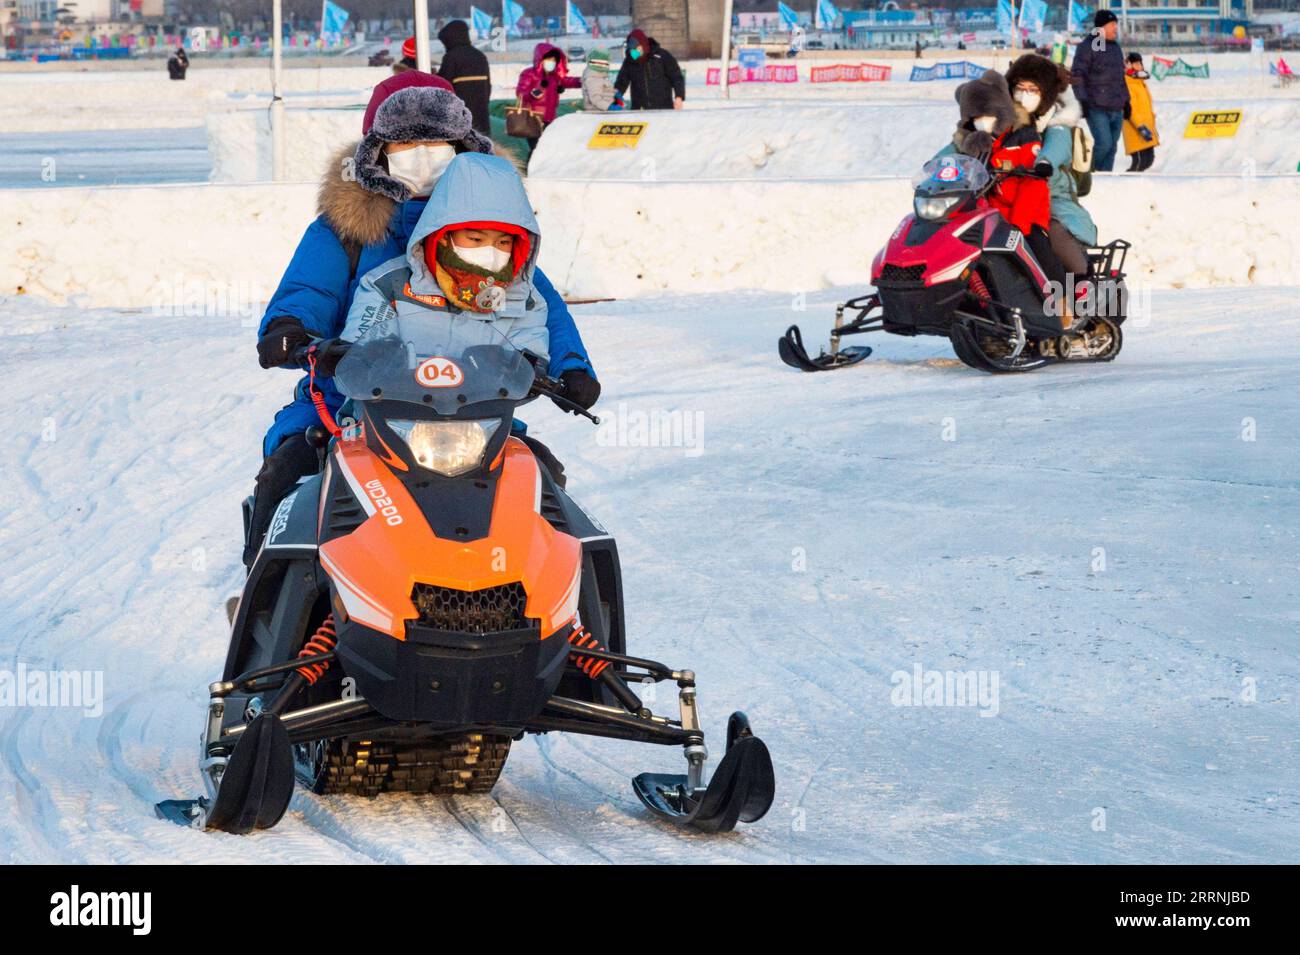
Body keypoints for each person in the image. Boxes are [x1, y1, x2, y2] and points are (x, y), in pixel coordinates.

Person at [246, 75, 598, 566]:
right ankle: (266, 593)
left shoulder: (488, 226)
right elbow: (310, 290)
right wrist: (292, 330)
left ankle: (553, 608)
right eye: (407, 142)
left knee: (542, 481)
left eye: (438, 143)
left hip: (472, 403)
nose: (423, 153)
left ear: (462, 147)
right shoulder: (346, 228)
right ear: (378, 148)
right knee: (288, 470)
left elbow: (534, 297)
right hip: (352, 400)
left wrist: (572, 366)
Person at [1006, 54, 1099, 302]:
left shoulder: (1057, 122)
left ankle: (1081, 278)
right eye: (1020, 88)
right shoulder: (1005, 120)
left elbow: (1057, 147)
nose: (1025, 94)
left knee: (1050, 226)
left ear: (1045, 92)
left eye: (1033, 89)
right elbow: (972, 140)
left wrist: (1044, 162)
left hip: (1051, 195)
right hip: (1008, 191)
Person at [1070, 10, 1129, 172]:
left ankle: (1105, 180)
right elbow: (1077, 75)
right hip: (1096, 106)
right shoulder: (1088, 46)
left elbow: (1121, 79)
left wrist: (1127, 101)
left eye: (1116, 24)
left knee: (1112, 148)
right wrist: (1082, 100)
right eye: (1112, 25)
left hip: (1116, 107)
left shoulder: (1116, 48)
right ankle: (1086, 175)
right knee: (1104, 144)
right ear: (1101, 27)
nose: (1115, 28)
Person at [515, 43, 582, 157]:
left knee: (546, 148)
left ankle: (541, 170)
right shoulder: (529, 74)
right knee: (536, 149)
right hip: (533, 119)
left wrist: (584, 80)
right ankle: (532, 171)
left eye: (553, 60)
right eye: (548, 59)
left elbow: (569, 81)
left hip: (549, 119)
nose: (551, 62)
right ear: (541, 59)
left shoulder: (555, 77)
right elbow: (521, 92)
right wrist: (533, 94)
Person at [437, 19, 491, 136]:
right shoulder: (480, 56)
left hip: (459, 119)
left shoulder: (451, 57)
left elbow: (442, 87)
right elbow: (488, 87)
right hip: (481, 117)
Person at [614, 29, 684, 111]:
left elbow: (676, 77)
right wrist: (615, 99)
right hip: (640, 111)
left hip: (664, 110)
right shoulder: (629, 61)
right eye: (631, 50)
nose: (633, 52)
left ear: (643, 45)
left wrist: (679, 97)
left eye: (636, 49)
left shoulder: (661, 56)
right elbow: (621, 83)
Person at [1122, 52, 1159, 173]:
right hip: (1136, 130)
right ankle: (1124, 185)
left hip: (1147, 128)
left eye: (1140, 63)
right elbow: (1131, 110)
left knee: (1149, 160)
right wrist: (1140, 127)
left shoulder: (1140, 83)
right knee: (1139, 162)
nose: (1140, 66)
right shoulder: (1128, 84)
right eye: (1136, 63)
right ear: (1129, 66)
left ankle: (1135, 186)